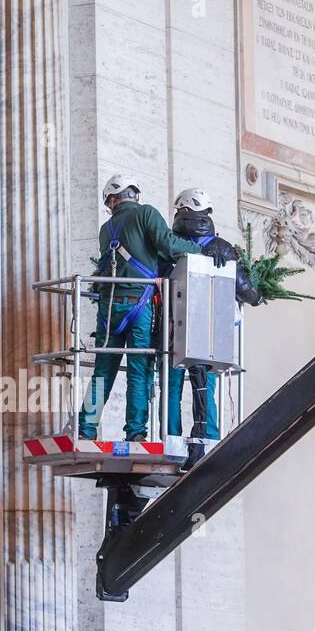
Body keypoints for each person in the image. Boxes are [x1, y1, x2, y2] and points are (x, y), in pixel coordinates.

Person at [78, 175, 204, 442]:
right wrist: (198, 249)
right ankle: (135, 433)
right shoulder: (146, 214)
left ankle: (86, 428)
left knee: (103, 370)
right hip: (139, 304)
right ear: (134, 193)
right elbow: (168, 245)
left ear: (112, 200)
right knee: (139, 370)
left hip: (109, 310)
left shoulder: (106, 229)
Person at [163, 188, 261, 467]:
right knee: (206, 387)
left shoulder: (170, 245)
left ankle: (171, 435)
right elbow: (245, 290)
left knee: (172, 385)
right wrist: (257, 295)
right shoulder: (222, 247)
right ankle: (209, 436)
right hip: (208, 330)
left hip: (174, 325)